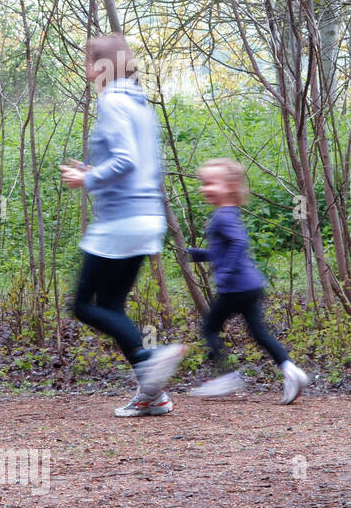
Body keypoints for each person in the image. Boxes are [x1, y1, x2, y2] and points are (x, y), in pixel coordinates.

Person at [60, 33, 185, 417]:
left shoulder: (112, 100)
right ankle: (153, 395)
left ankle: (150, 358)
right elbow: (136, 163)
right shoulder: (139, 103)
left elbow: (126, 160)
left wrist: (88, 179)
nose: (85, 71)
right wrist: (96, 170)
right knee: (112, 305)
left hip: (120, 221)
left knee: (82, 306)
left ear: (101, 66)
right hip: (147, 218)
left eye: (87, 62)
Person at [186, 158, 309, 403]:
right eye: (203, 183)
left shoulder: (222, 216)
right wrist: (200, 255)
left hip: (235, 287)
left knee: (209, 328)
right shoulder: (229, 213)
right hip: (250, 285)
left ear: (230, 186)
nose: (204, 188)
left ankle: (225, 377)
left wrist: (227, 272)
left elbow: (238, 244)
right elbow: (229, 248)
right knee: (259, 333)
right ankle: (291, 371)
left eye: (211, 183)